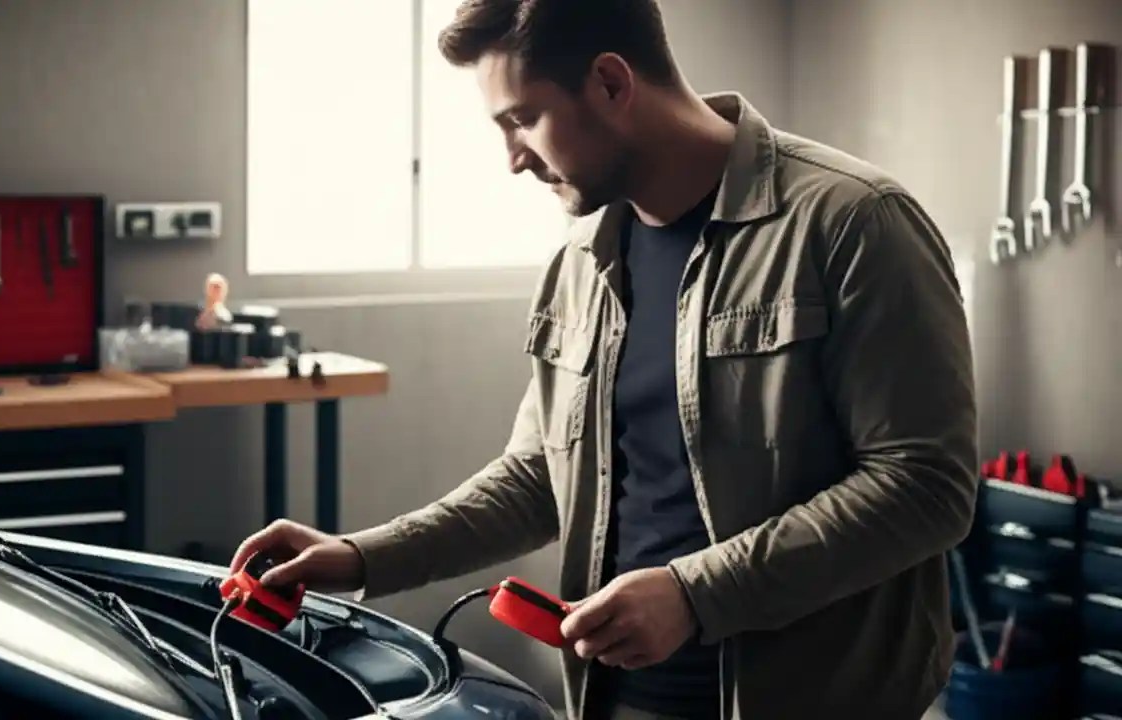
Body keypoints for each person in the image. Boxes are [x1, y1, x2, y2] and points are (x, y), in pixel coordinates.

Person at [230, 1, 978, 718]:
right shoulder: (581, 262)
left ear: (612, 83)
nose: (514, 159)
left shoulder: (853, 222)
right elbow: (538, 479)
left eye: (523, 119)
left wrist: (695, 593)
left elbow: (925, 485)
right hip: (613, 698)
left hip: (820, 702)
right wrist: (360, 557)